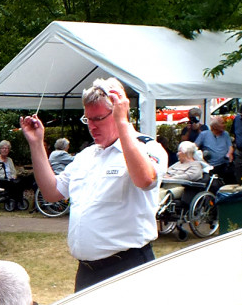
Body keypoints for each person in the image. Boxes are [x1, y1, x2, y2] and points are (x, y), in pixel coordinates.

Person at [20, 77, 166, 292]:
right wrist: (36, 144)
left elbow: (145, 179)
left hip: (127, 267)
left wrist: (123, 124)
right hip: (88, 271)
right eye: (87, 119)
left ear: (119, 112)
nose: (92, 126)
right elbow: (52, 192)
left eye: (98, 118)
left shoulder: (148, 148)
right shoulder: (87, 155)